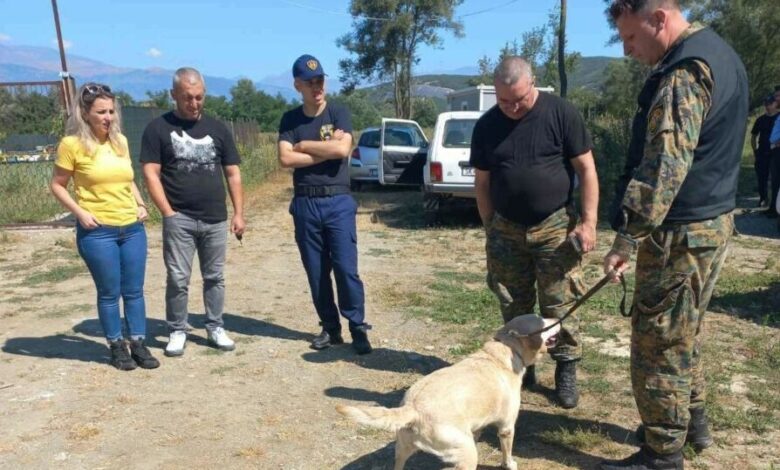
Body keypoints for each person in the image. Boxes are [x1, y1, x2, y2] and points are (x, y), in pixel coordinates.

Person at [602, 1, 748, 469]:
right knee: (686, 330)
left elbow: (664, 166)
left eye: (630, 37)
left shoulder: (684, 73)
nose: (627, 50)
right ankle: (694, 422)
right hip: (714, 222)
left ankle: (662, 454)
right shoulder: (722, 54)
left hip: (681, 234)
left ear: (658, 19)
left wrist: (627, 236)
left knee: (660, 340)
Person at [470, 56, 599, 409]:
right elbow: (482, 182)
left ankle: (566, 367)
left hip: (554, 226)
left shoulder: (561, 113)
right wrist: (490, 225)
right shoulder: (486, 126)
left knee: (559, 302)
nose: (511, 108)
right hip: (506, 229)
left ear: (534, 84)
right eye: (503, 101)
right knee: (514, 303)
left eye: (519, 99)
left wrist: (588, 222)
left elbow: (586, 169)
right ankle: (523, 366)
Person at [50, 82, 159, 371]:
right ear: (85, 113)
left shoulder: (119, 141)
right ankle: (116, 346)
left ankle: (138, 342)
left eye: (111, 111)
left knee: (134, 290)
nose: (108, 117)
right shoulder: (71, 145)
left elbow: (128, 178)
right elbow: (57, 186)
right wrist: (79, 212)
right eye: (101, 112)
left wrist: (141, 203)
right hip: (98, 231)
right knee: (109, 292)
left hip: (132, 228)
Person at [140, 67, 245, 357]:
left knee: (215, 276)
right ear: (174, 94)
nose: (194, 103)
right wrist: (167, 212)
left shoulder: (219, 129)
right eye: (188, 97)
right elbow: (150, 173)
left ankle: (215, 326)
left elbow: (233, 174)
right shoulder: (157, 129)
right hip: (180, 218)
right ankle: (177, 330)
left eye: (199, 97)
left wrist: (238, 213)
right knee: (178, 277)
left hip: (215, 217)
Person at [277, 54, 372, 355]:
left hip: (338, 201)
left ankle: (357, 326)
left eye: (320, 81)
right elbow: (285, 158)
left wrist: (304, 145)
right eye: (309, 82)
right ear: (297, 85)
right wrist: (325, 152)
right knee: (316, 271)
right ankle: (330, 329)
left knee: (346, 269)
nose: (317, 87)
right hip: (306, 203)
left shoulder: (338, 112)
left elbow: (343, 149)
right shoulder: (290, 119)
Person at [750, 95, 778, 209]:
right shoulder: (760, 120)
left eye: (770, 104)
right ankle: (763, 198)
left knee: (776, 180)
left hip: (776, 154)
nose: (767, 107)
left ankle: (775, 204)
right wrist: (755, 150)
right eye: (766, 104)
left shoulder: (779, 118)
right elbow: (753, 136)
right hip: (762, 152)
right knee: (762, 178)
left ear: (775, 104)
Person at [768, 89, 780, 217]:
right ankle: (774, 208)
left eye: (778, 96)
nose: (775, 99)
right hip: (775, 151)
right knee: (775, 181)